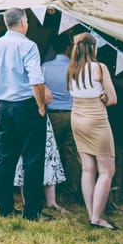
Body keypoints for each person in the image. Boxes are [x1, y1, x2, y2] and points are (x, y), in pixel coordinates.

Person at [0, 7, 45, 219]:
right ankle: (31, 210)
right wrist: (41, 106)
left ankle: (4, 207)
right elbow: (36, 79)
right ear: (23, 22)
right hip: (25, 105)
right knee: (32, 158)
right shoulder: (28, 45)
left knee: (5, 157)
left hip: (3, 106)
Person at [67, 33, 117, 229]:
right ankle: (97, 218)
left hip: (77, 118)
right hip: (96, 119)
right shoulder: (100, 67)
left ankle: (92, 214)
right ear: (93, 48)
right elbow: (112, 99)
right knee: (107, 170)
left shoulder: (71, 70)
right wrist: (103, 97)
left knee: (88, 168)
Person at [44, 34, 80, 199]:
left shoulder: (45, 67)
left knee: (52, 153)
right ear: (68, 48)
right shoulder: (75, 68)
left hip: (52, 115)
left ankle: (52, 189)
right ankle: (72, 189)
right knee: (73, 154)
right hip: (73, 113)